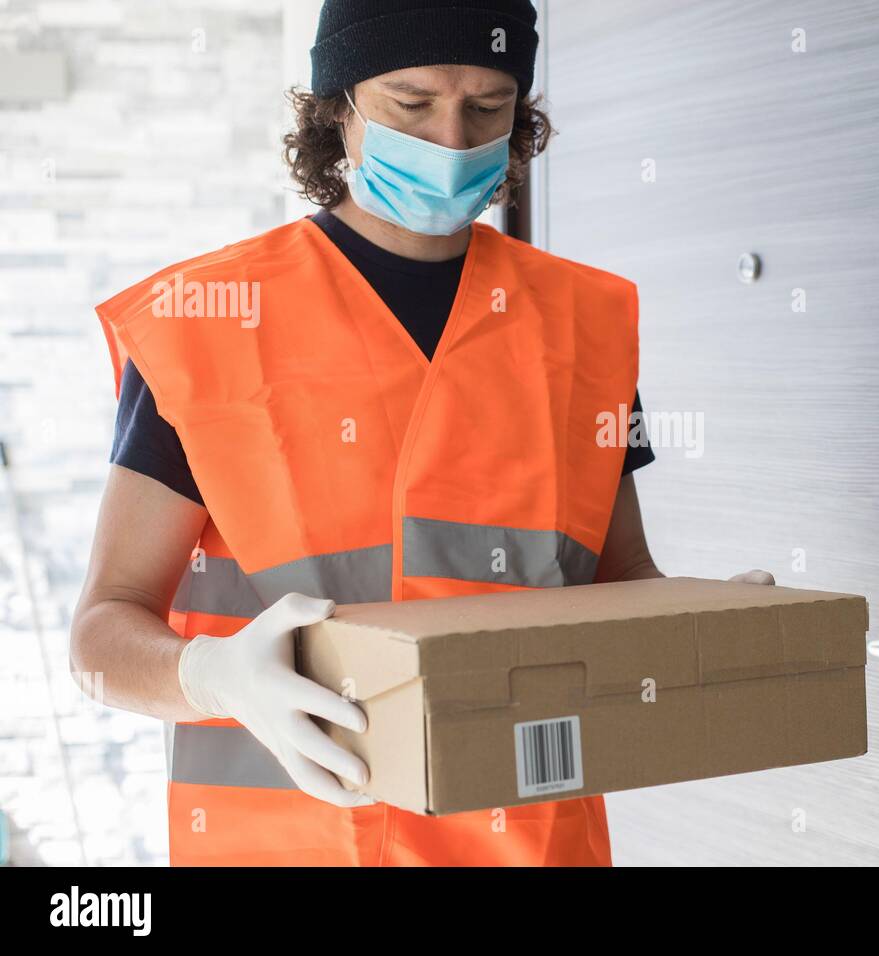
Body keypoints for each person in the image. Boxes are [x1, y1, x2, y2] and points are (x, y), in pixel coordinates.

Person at [70, 0, 772, 867]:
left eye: (487, 106)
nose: (450, 139)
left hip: (533, 841)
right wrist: (210, 678)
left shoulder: (581, 324)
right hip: (290, 849)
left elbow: (621, 581)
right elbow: (101, 631)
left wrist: (705, 626)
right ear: (338, 108)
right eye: (411, 103)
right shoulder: (209, 324)